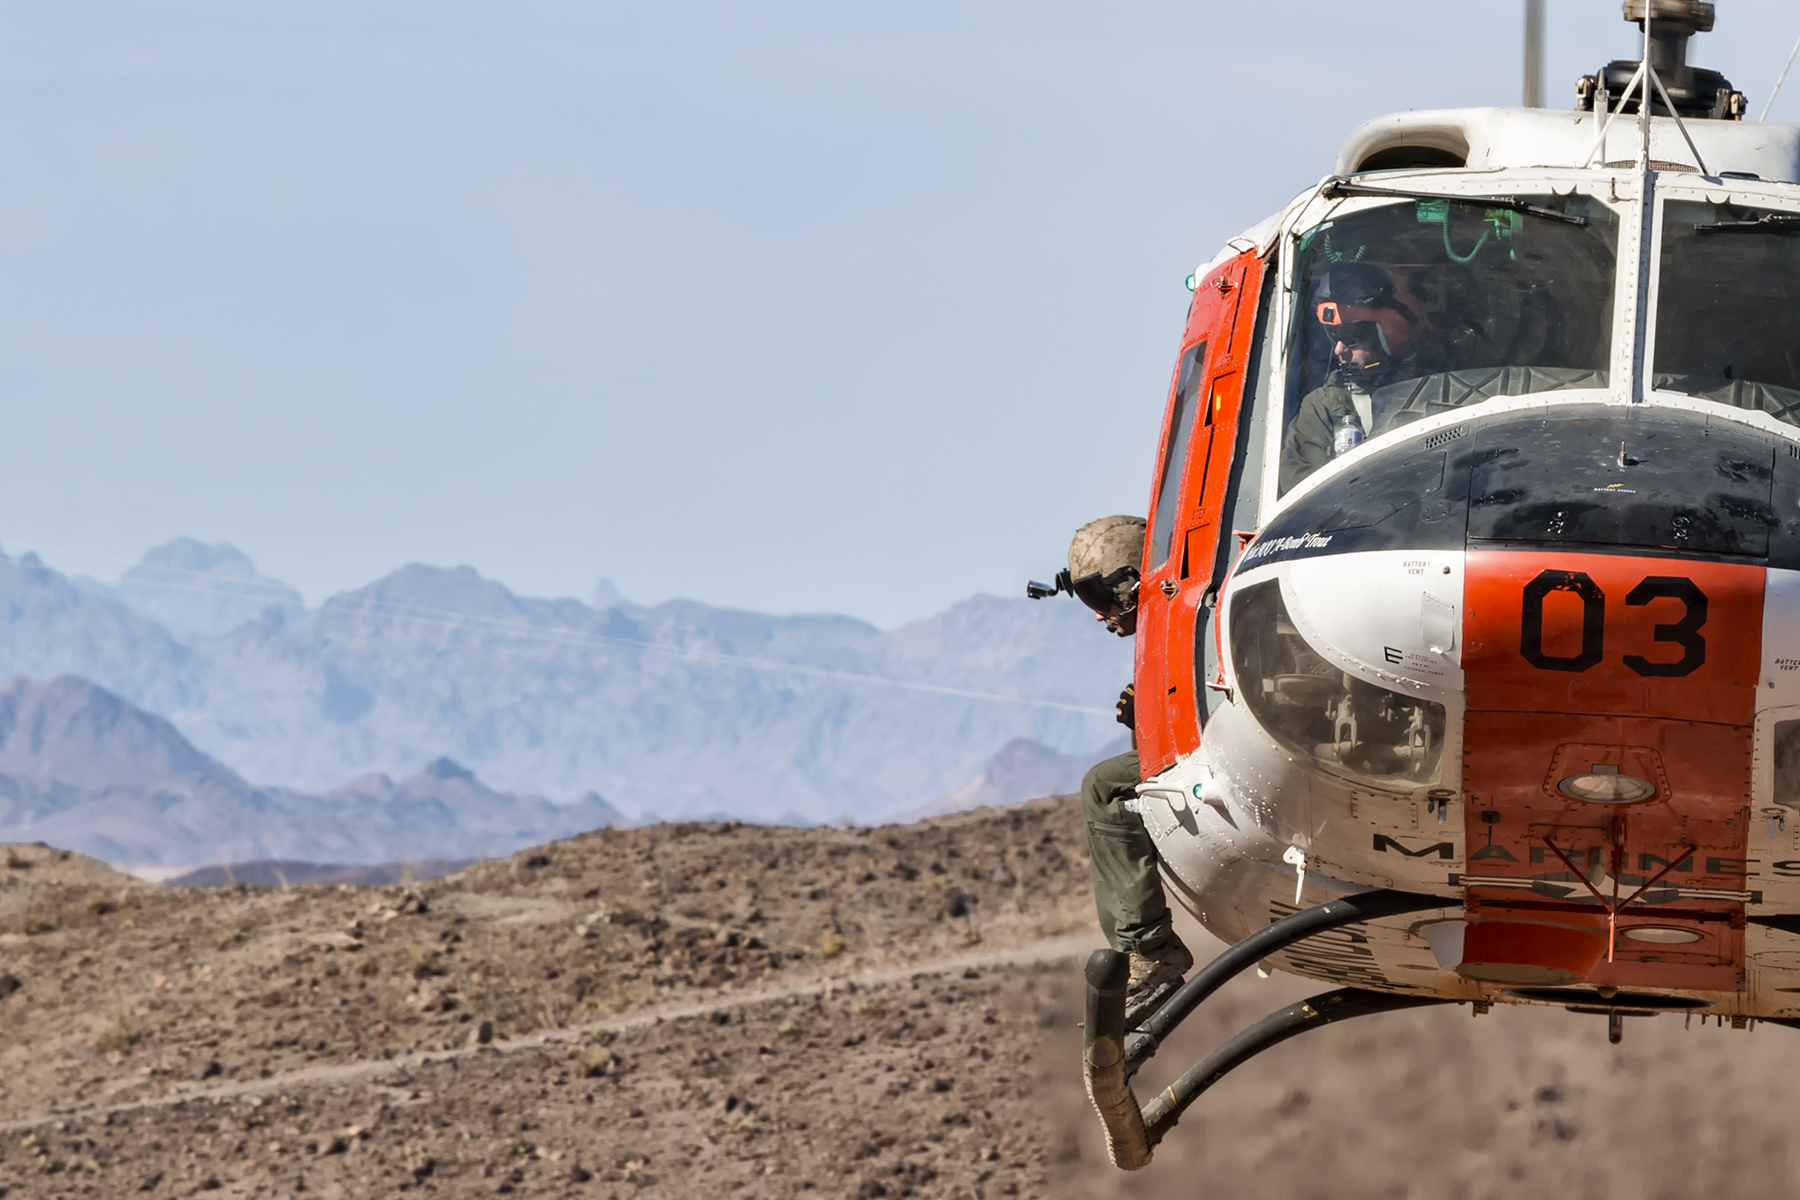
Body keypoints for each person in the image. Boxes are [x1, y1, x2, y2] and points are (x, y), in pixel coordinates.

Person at [1042, 515, 1193, 1021]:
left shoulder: (1182, 612)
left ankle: (1150, 953)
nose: (1099, 615)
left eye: (1100, 599)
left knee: (1104, 787)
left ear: (1129, 582)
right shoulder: (1174, 615)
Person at [1278, 261, 1440, 493]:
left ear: (1392, 335)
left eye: (1351, 338)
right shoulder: (1322, 406)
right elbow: (1304, 490)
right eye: (1334, 337)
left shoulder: (1443, 392)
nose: (1339, 350)